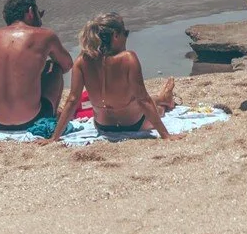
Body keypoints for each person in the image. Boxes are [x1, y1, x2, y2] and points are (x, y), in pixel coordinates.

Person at [49, 13, 175, 141]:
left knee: (138, 101)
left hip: (103, 126)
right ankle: (164, 100)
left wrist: (54, 138)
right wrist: (166, 135)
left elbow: (72, 100)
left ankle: (162, 98)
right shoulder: (128, 58)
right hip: (133, 124)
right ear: (115, 35)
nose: (126, 38)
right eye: (125, 33)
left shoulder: (81, 61)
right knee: (157, 109)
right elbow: (143, 100)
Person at [0, 0, 73, 132]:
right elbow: (67, 64)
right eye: (40, 14)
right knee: (54, 67)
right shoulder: (45, 35)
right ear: (31, 12)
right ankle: (52, 113)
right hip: (32, 119)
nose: (41, 19)